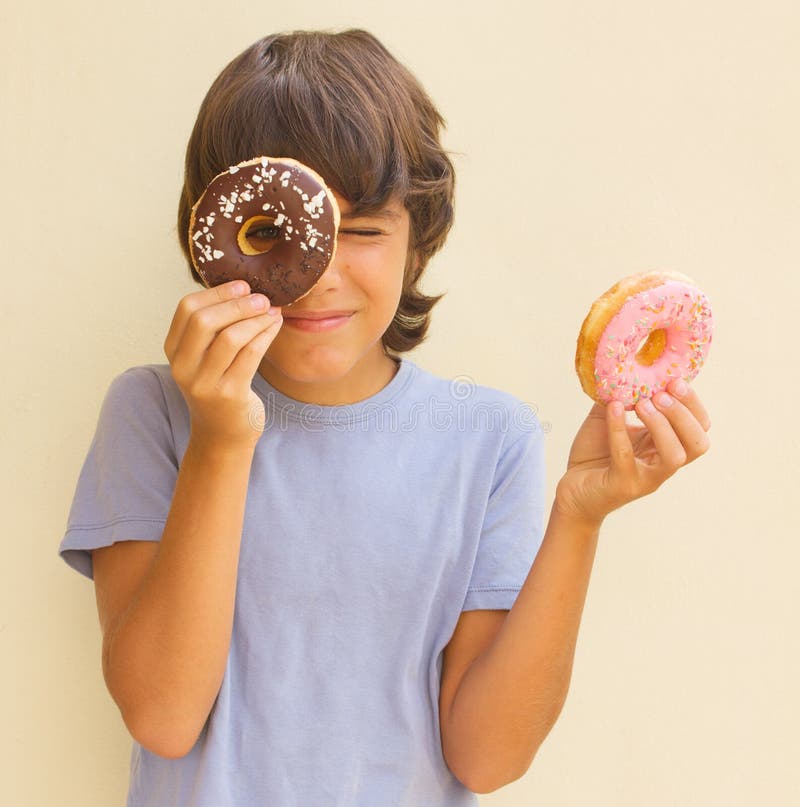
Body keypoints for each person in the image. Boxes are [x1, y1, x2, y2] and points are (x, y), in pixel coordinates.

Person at [58, 29, 712, 806]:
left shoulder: (489, 438)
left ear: (417, 244)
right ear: (215, 236)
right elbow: (162, 716)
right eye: (273, 234)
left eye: (363, 230)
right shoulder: (153, 412)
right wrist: (222, 435)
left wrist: (578, 517)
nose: (317, 275)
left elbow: (487, 757)